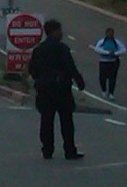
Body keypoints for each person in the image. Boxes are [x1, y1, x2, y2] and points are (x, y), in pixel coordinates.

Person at [28, 19, 85, 160]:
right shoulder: (62, 48)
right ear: (54, 31)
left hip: (44, 89)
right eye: (59, 30)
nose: (61, 33)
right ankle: (69, 150)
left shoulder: (38, 49)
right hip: (61, 89)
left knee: (46, 120)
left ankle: (47, 150)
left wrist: (40, 79)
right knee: (66, 120)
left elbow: (33, 70)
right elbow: (70, 67)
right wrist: (79, 81)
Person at [92, 27, 126, 99]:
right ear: (106, 33)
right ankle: (104, 90)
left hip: (113, 62)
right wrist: (107, 52)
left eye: (112, 33)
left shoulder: (116, 42)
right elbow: (97, 49)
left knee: (112, 78)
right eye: (109, 33)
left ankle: (111, 93)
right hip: (103, 62)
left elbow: (123, 50)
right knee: (102, 77)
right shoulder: (102, 42)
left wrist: (115, 53)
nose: (111, 35)